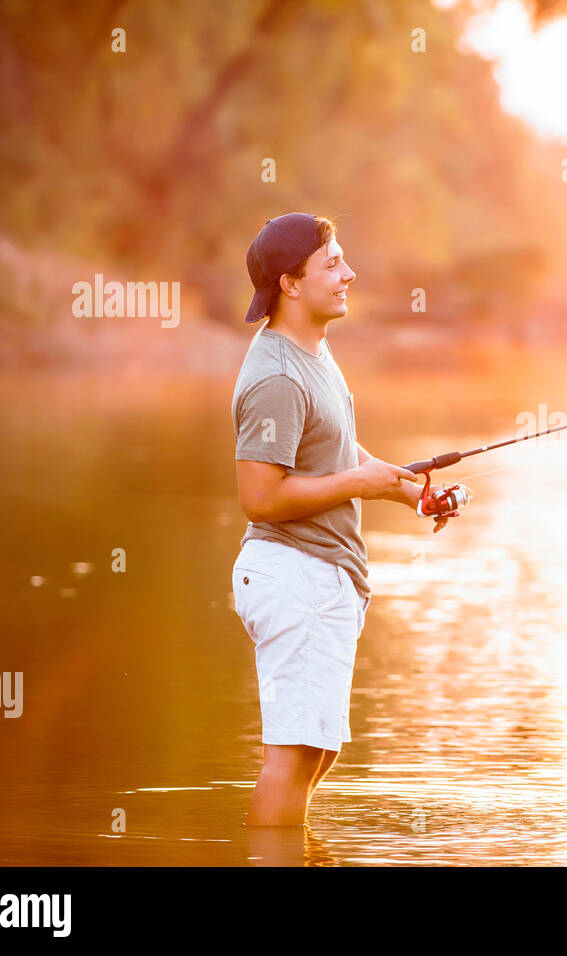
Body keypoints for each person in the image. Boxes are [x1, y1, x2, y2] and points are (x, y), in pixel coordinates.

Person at [229, 213, 456, 827]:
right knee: (291, 756)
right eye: (332, 263)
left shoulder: (312, 352)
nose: (349, 273)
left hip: (323, 577)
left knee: (317, 753)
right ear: (291, 285)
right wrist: (362, 485)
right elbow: (260, 497)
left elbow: (333, 446)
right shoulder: (276, 375)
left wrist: (405, 492)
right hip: (293, 575)